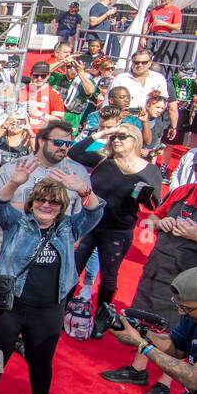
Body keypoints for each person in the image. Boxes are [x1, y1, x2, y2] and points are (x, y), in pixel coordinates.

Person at [0, 162, 102, 394]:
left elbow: (95, 213)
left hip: (48, 308)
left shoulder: (69, 227)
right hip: (9, 305)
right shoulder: (17, 223)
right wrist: (15, 183)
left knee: (41, 360)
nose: (46, 205)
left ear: (62, 206)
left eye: (53, 202)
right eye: (41, 199)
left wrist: (83, 190)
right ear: (32, 202)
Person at [101, 179, 197, 394]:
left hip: (189, 279)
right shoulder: (182, 191)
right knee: (145, 315)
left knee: (178, 327)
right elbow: (152, 219)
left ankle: (165, 383)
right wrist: (162, 222)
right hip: (158, 266)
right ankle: (138, 369)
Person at [68, 124, 161, 335]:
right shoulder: (103, 159)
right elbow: (74, 152)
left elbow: (156, 205)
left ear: (135, 141)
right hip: (90, 223)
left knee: (109, 277)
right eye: (115, 136)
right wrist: (102, 133)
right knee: (73, 268)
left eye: (122, 137)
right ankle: (60, 312)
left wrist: (145, 197)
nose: (117, 140)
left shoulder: (150, 170)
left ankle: (101, 319)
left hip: (118, 230)